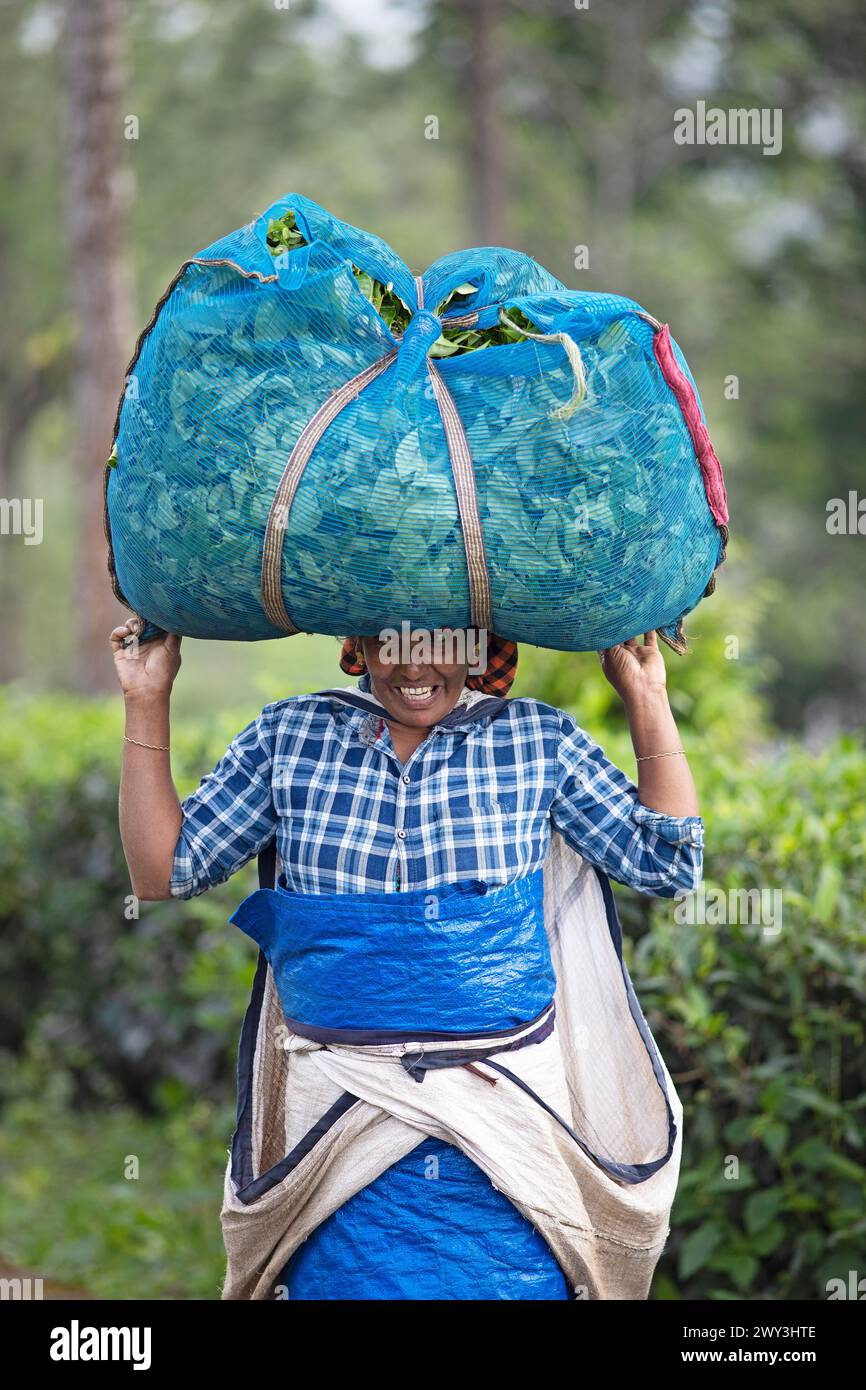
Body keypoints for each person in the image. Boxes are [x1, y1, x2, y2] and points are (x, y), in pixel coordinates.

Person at [111, 619, 702, 1301]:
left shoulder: (535, 740)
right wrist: (145, 697)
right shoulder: (292, 738)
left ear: (478, 649)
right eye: (393, 640)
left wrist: (646, 695)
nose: (417, 666)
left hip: (506, 1139)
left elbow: (668, 862)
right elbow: (164, 872)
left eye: (443, 641)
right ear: (358, 646)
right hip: (333, 1142)